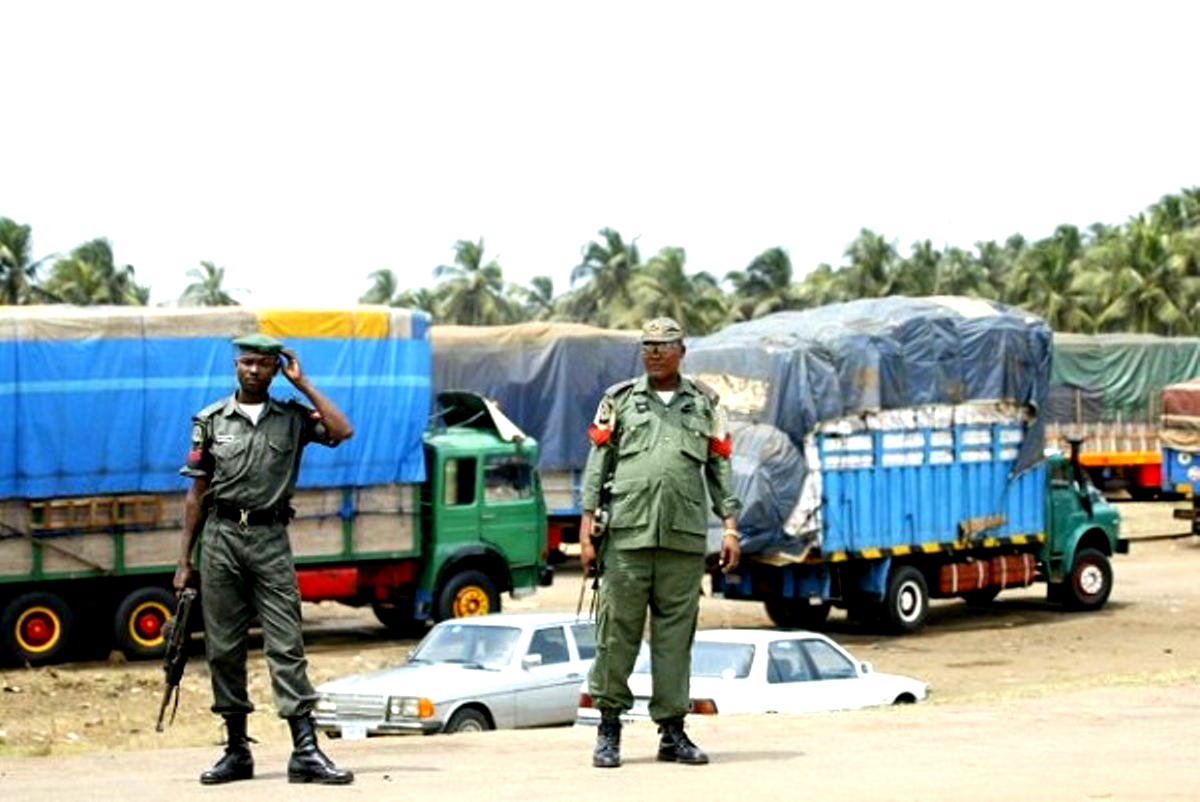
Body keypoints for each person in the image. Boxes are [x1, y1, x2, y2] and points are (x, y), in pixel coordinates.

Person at [173, 333, 355, 786]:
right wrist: (184, 560)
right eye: (247, 362)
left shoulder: (292, 419)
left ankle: (306, 750)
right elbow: (196, 494)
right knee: (224, 648)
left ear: (277, 369)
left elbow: (342, 431)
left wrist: (306, 383)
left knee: (286, 644)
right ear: (236, 366)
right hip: (220, 539)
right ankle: (237, 751)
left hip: (270, 537)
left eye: (263, 364)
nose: (254, 370)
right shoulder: (211, 421)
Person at [579, 317, 742, 769]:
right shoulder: (619, 401)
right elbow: (598, 465)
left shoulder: (705, 404)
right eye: (647, 345)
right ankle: (608, 729)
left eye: (663, 346)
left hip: (683, 541)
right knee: (616, 635)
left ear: (681, 351)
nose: (653, 353)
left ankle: (672, 732)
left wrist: (730, 526)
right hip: (627, 538)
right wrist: (586, 527)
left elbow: (720, 468)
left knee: (675, 640)